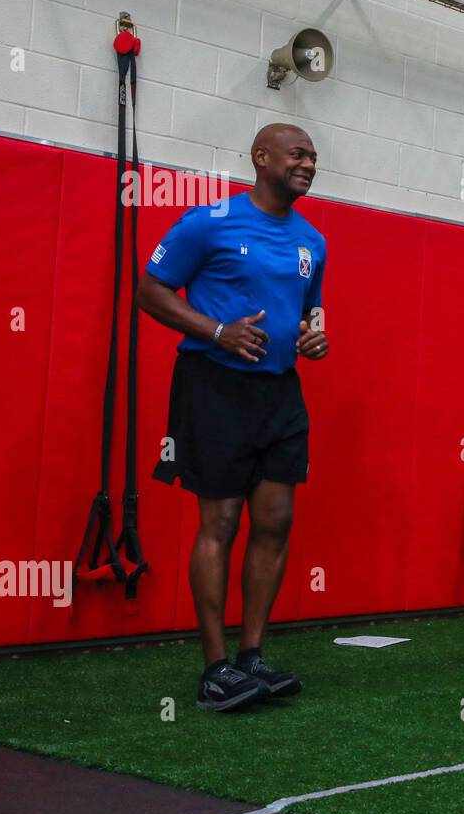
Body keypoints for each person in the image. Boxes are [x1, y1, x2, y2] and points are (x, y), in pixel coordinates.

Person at [137, 124, 329, 712]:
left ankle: (252, 658)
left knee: (275, 520)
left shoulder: (313, 241)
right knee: (219, 521)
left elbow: (309, 307)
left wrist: (313, 335)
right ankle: (214, 667)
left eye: (313, 158)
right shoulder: (208, 222)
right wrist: (216, 331)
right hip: (213, 387)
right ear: (261, 157)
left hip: (279, 394)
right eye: (297, 154)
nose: (308, 164)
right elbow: (149, 289)